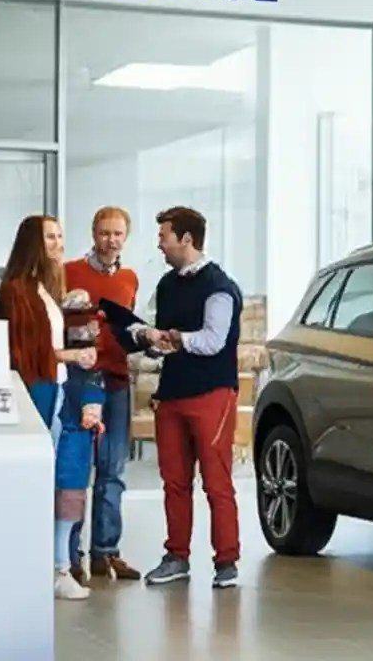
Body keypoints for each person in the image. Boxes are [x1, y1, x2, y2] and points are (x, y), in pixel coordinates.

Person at [0, 214, 103, 601]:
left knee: (68, 482)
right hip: (35, 394)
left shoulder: (46, 290)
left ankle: (59, 567)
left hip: (59, 393)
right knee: (35, 482)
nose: (58, 244)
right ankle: (33, 566)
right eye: (50, 237)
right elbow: (22, 352)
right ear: (33, 244)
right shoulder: (15, 291)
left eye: (60, 236)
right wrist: (70, 355)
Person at [131, 206, 243, 589]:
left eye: (164, 236)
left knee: (216, 482)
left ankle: (226, 561)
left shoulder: (219, 287)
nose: (159, 244)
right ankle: (176, 556)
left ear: (187, 239)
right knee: (174, 481)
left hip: (212, 394)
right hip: (173, 394)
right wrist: (151, 341)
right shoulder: (166, 285)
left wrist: (176, 338)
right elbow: (164, 336)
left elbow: (213, 341)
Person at [63, 206, 142, 583]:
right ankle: (69, 555)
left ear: (126, 237)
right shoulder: (70, 272)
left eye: (118, 233)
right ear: (93, 234)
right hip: (79, 379)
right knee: (76, 469)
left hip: (117, 380)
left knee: (113, 471)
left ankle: (106, 552)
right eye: (104, 233)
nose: (111, 240)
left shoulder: (129, 278)